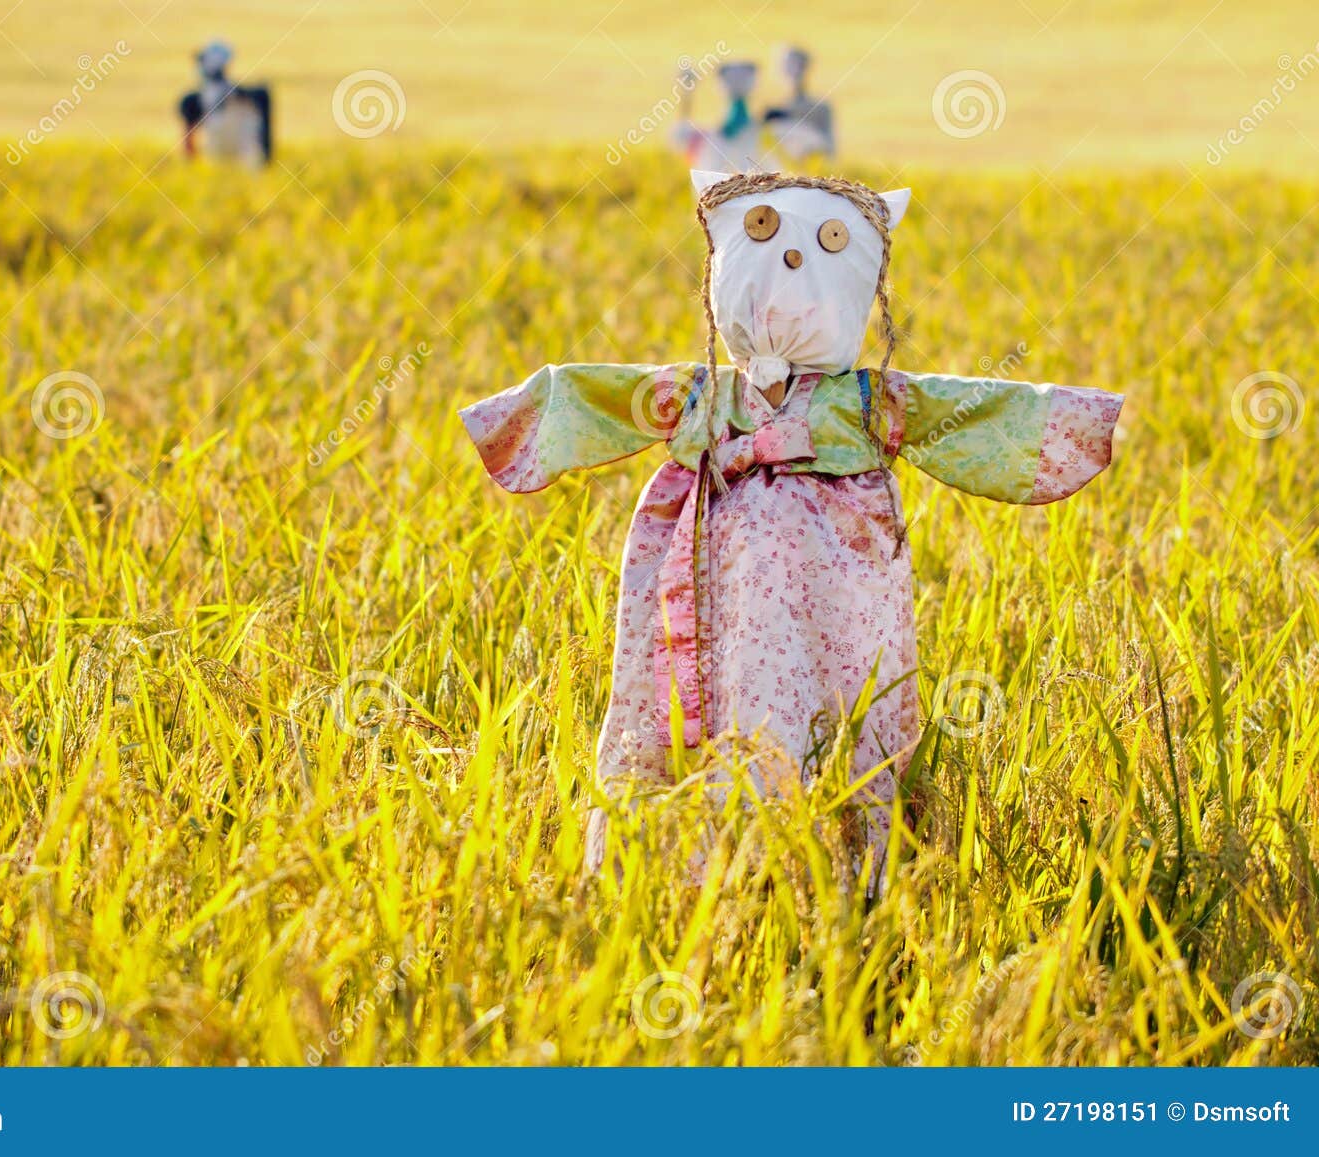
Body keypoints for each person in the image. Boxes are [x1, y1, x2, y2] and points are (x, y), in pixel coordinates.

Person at [458, 171, 1123, 893]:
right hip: (712, 567)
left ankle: (835, 871)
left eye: (826, 248)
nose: (795, 267)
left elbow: (965, 410)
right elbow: (599, 393)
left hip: (829, 577)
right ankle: (689, 865)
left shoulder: (862, 403)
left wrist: (1070, 422)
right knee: (704, 702)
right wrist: (520, 417)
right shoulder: (702, 397)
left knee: (831, 704)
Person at [179, 40, 272, 168]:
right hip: (249, 167)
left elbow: (188, 148)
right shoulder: (255, 95)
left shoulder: (193, 100)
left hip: (214, 166)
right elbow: (266, 140)